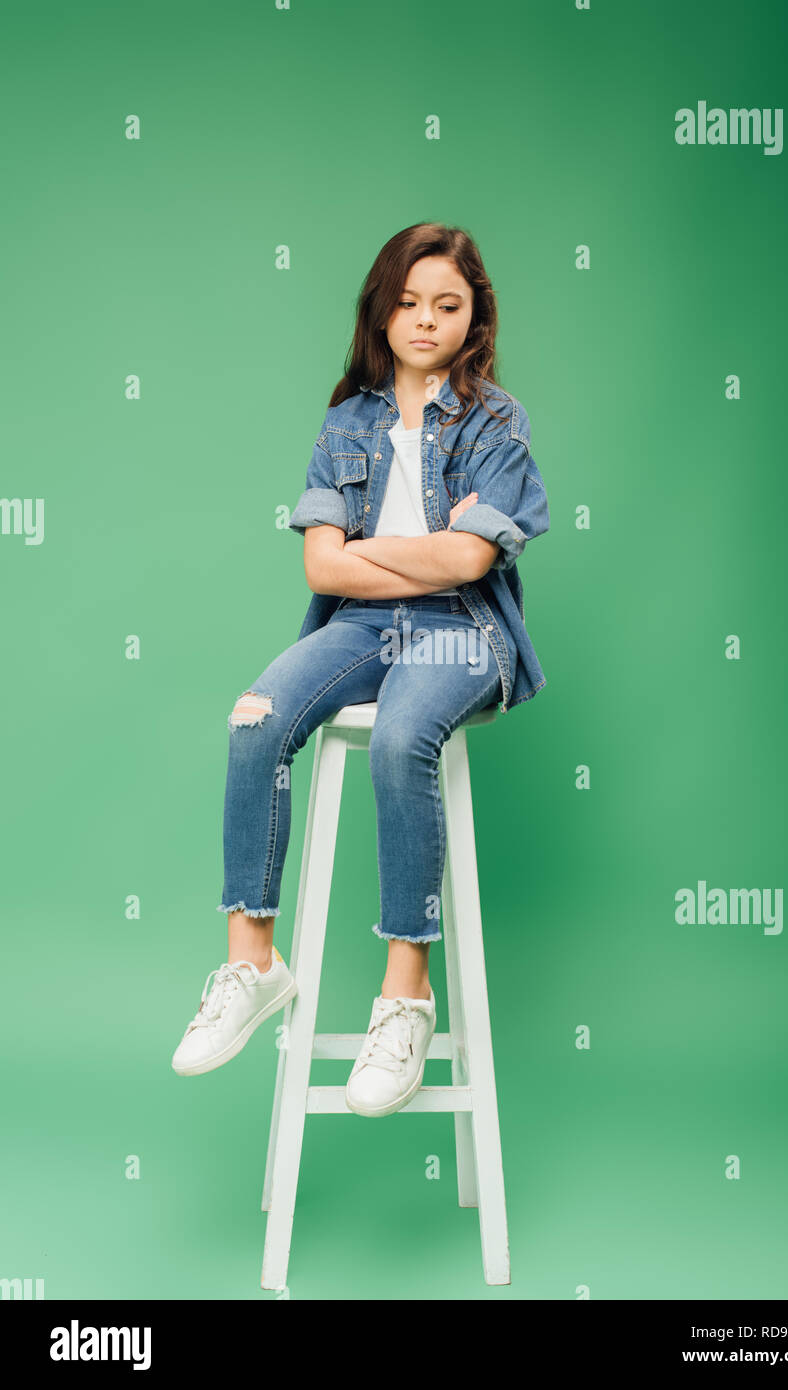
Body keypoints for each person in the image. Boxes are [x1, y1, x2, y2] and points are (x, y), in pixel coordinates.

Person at [170, 222, 550, 1118]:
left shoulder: (499, 423)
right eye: (408, 303)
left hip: (460, 631)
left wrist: (383, 549)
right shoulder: (346, 421)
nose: (424, 321)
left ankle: (405, 998)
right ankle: (251, 963)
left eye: (446, 306)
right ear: (382, 313)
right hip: (359, 628)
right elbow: (323, 570)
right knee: (256, 715)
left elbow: (466, 570)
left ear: (473, 317)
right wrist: (429, 546)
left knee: (401, 734)